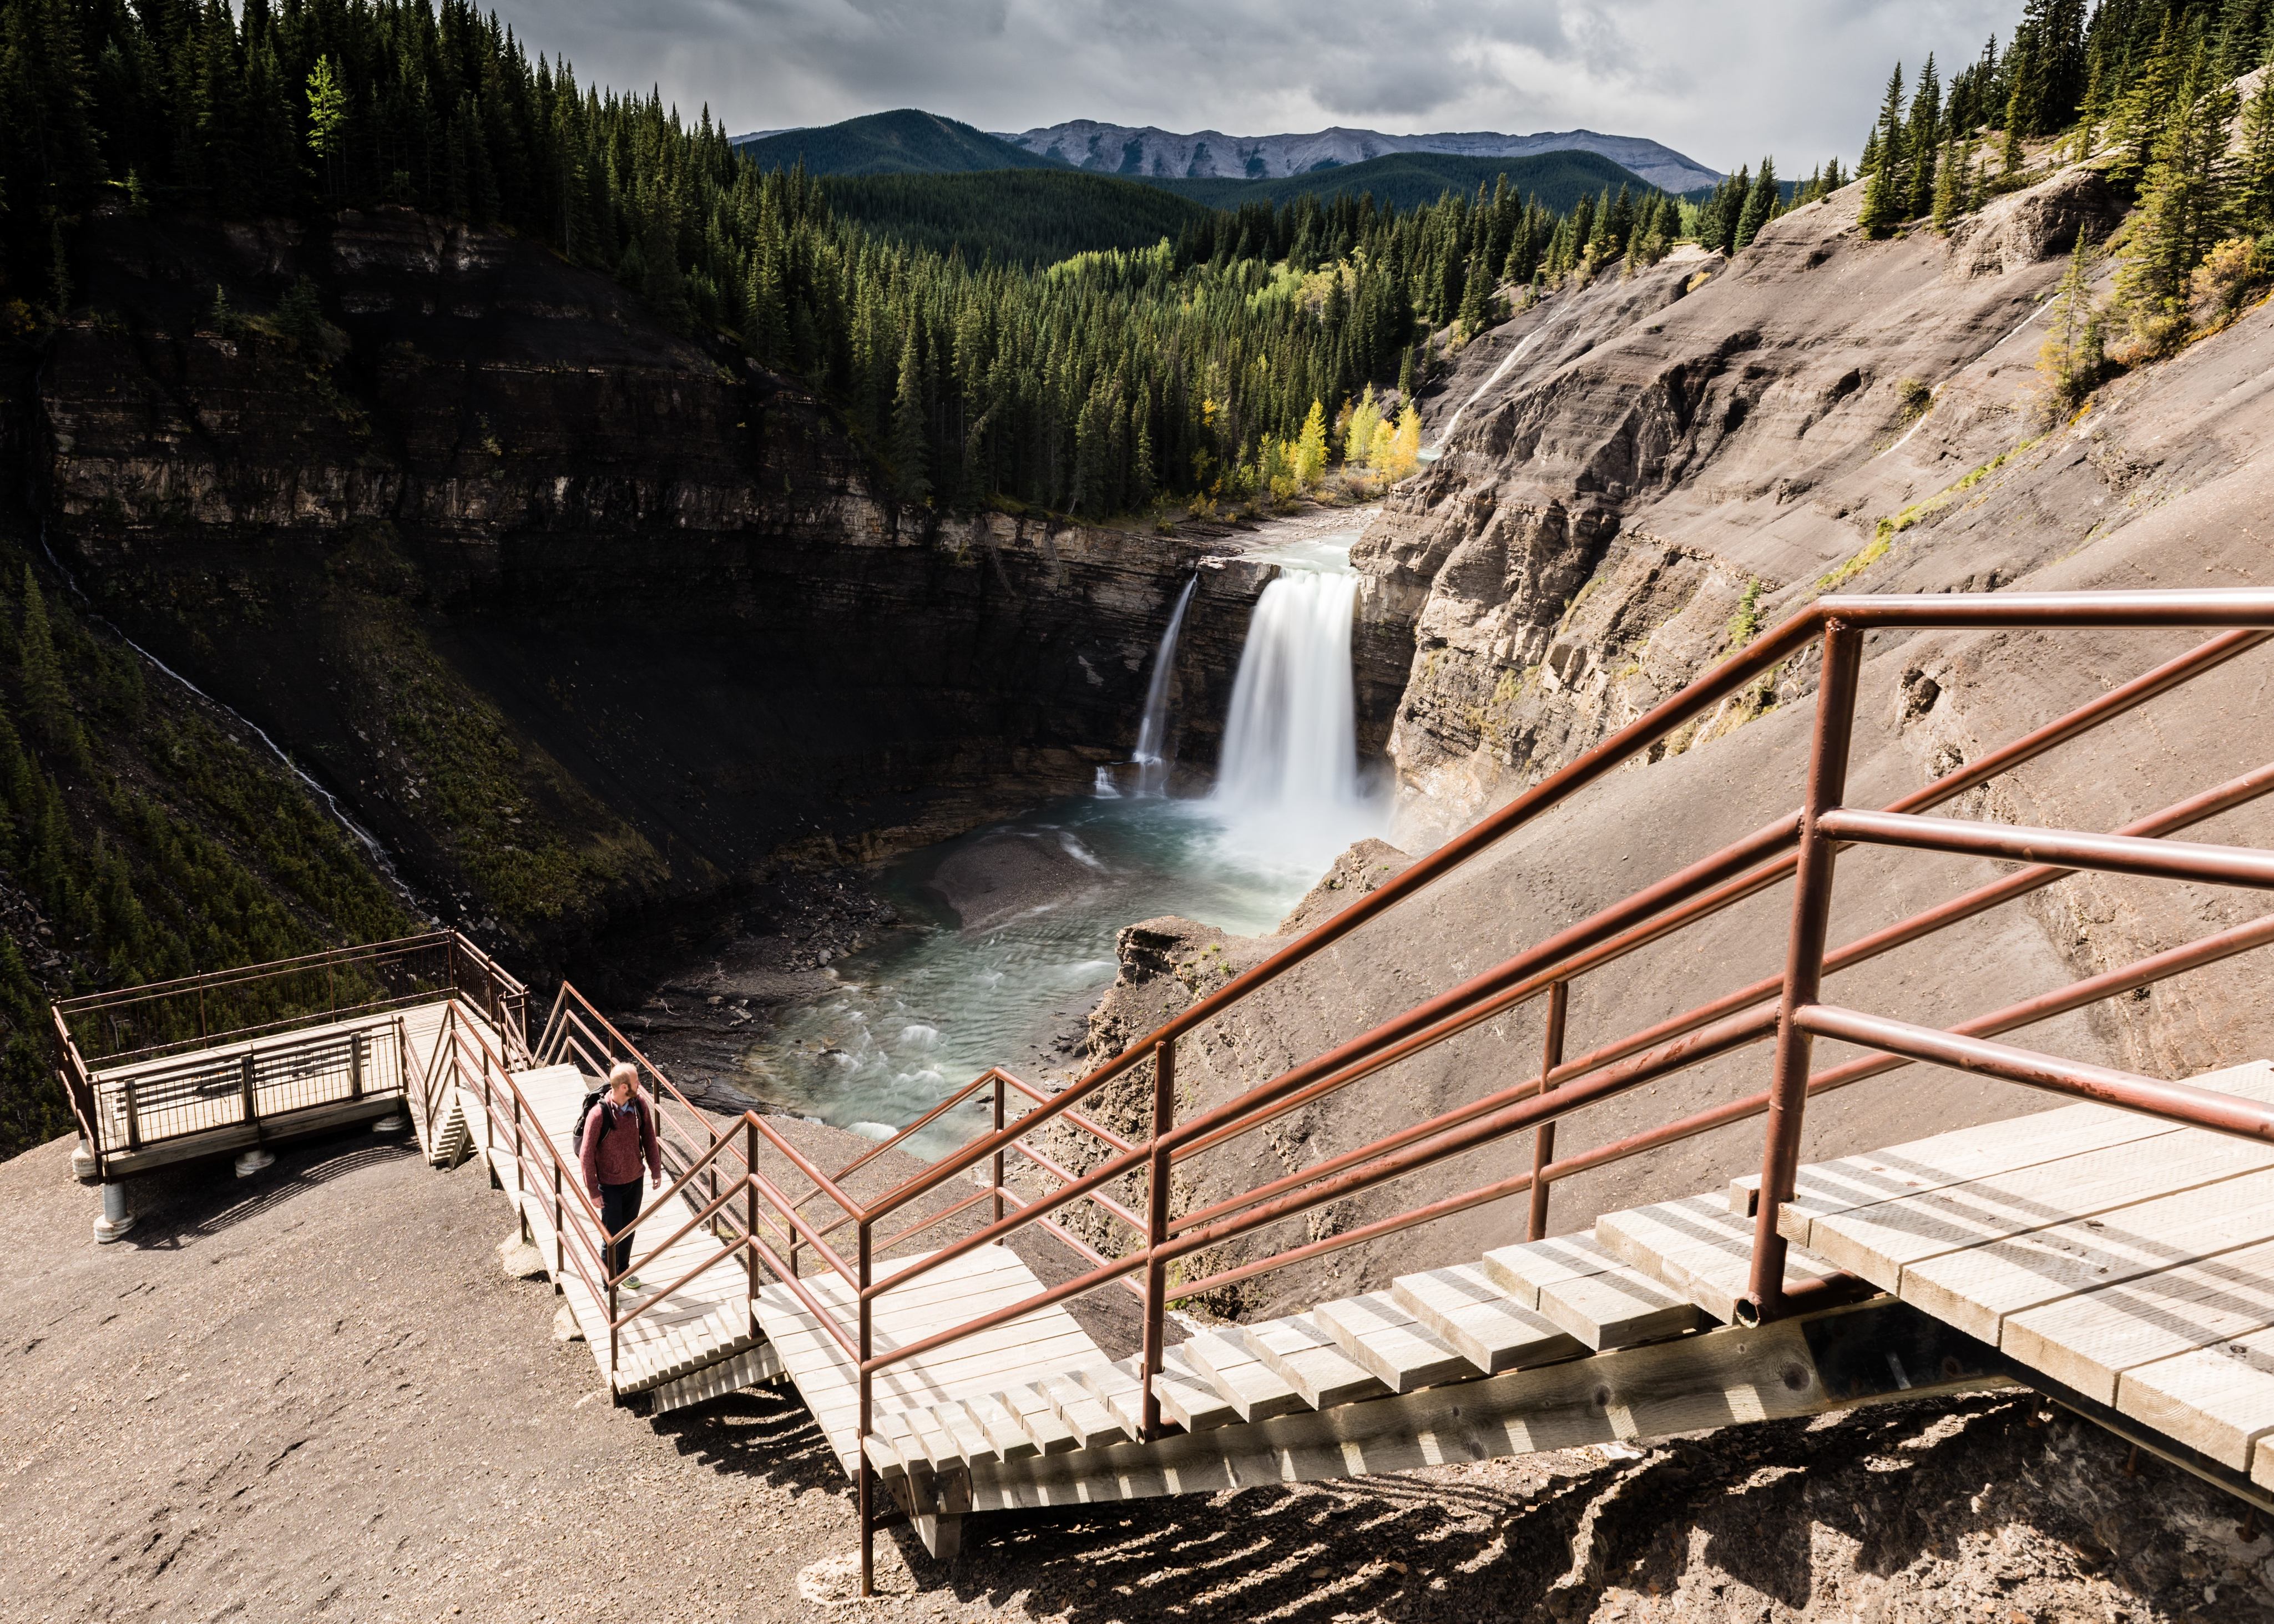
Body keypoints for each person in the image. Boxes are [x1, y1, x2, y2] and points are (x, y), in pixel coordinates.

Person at [579, 1061, 661, 1292]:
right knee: (612, 1235)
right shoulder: (598, 1114)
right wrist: (593, 1191)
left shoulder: (638, 1105)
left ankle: (623, 1271)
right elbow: (586, 1155)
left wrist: (655, 1169)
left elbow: (649, 1136)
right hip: (609, 1185)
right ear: (624, 1087)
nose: (640, 1085)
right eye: (636, 1082)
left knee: (629, 1228)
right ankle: (609, 1283)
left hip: (635, 1179)